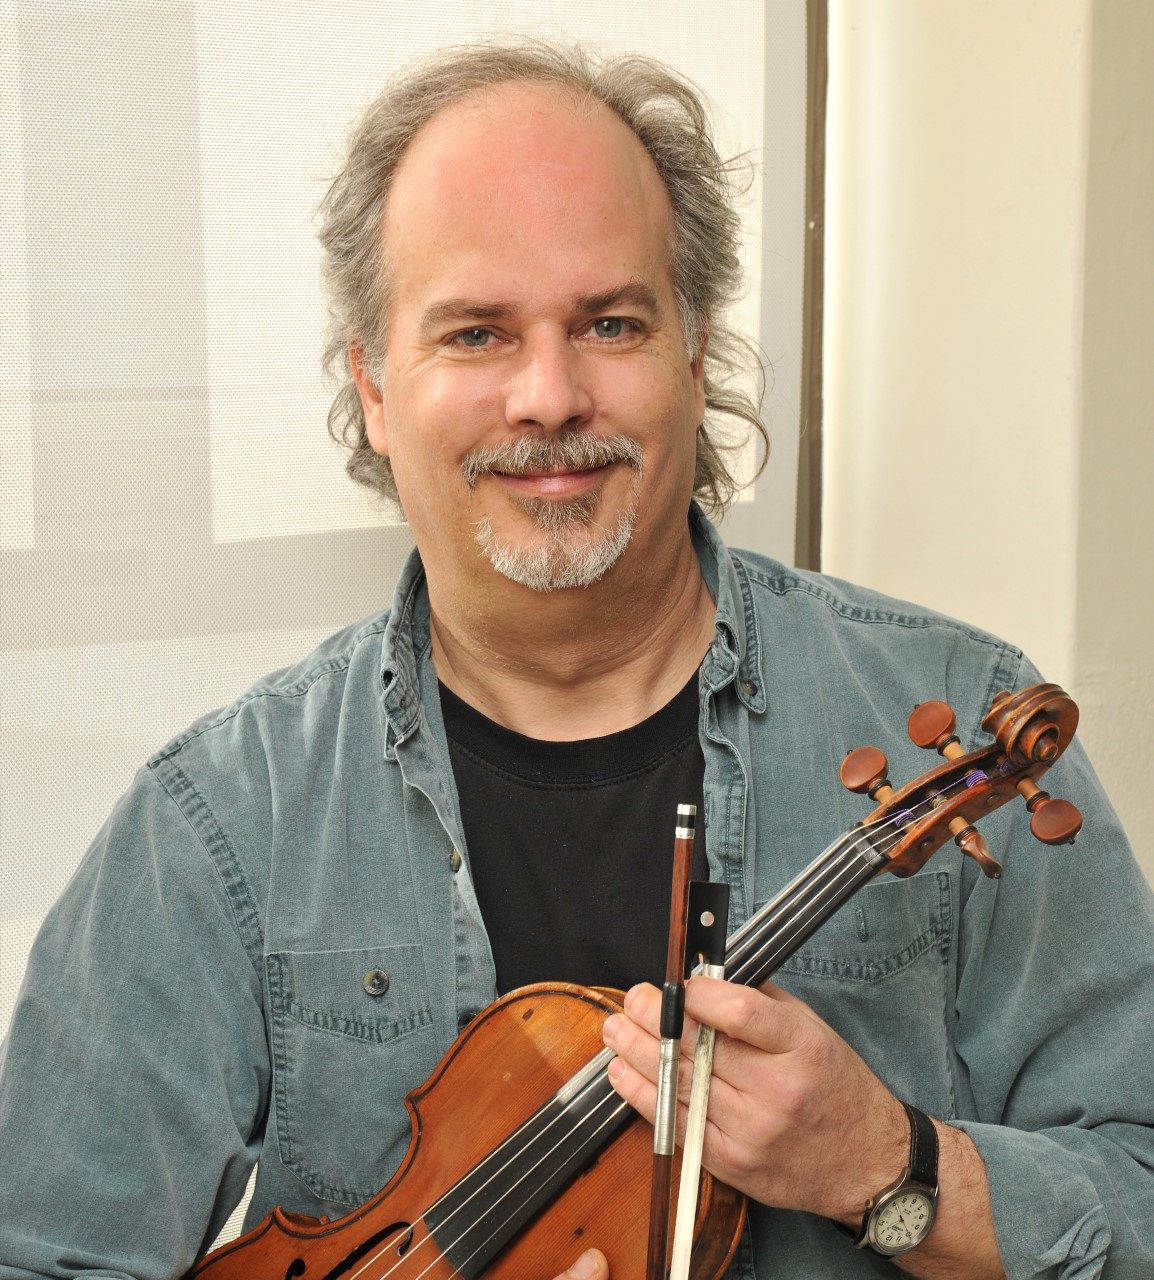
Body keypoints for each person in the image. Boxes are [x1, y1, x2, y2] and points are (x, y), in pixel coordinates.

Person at [1, 39, 1152, 1280]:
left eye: (608, 321)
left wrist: (887, 1166)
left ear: (692, 354)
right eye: (476, 333)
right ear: (375, 387)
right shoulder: (219, 823)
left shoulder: (965, 723)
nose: (548, 395)